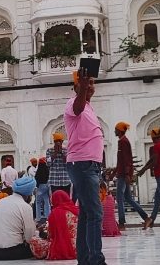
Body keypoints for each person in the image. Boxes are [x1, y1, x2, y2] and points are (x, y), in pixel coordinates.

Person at [64, 70, 104, 265]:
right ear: (77, 86)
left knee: (88, 213)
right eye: (87, 83)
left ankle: (85, 258)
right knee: (95, 213)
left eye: (92, 83)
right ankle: (96, 260)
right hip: (82, 164)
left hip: (90, 165)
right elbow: (78, 107)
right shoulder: (73, 104)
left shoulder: (88, 107)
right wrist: (82, 86)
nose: (90, 86)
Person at [0, 177, 48, 261]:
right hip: (12, 252)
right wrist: (40, 232)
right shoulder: (25, 206)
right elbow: (29, 237)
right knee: (44, 246)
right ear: (29, 193)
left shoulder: (2, 201)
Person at [112, 122, 147, 230]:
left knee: (119, 197)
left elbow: (127, 160)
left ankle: (121, 223)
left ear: (120, 131)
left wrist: (127, 174)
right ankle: (146, 217)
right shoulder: (122, 141)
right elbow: (121, 160)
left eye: (116, 129)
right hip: (122, 173)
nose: (115, 131)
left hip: (124, 174)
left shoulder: (123, 142)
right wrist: (114, 172)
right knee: (128, 198)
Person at [46, 189, 78, 260]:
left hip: (61, 247)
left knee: (34, 241)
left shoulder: (54, 214)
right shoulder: (76, 211)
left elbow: (50, 235)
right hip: (80, 248)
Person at [34, 158, 51, 223]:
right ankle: (48, 216)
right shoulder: (47, 169)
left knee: (38, 202)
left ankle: (38, 217)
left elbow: (36, 178)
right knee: (46, 201)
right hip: (46, 185)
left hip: (40, 186)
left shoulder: (39, 170)